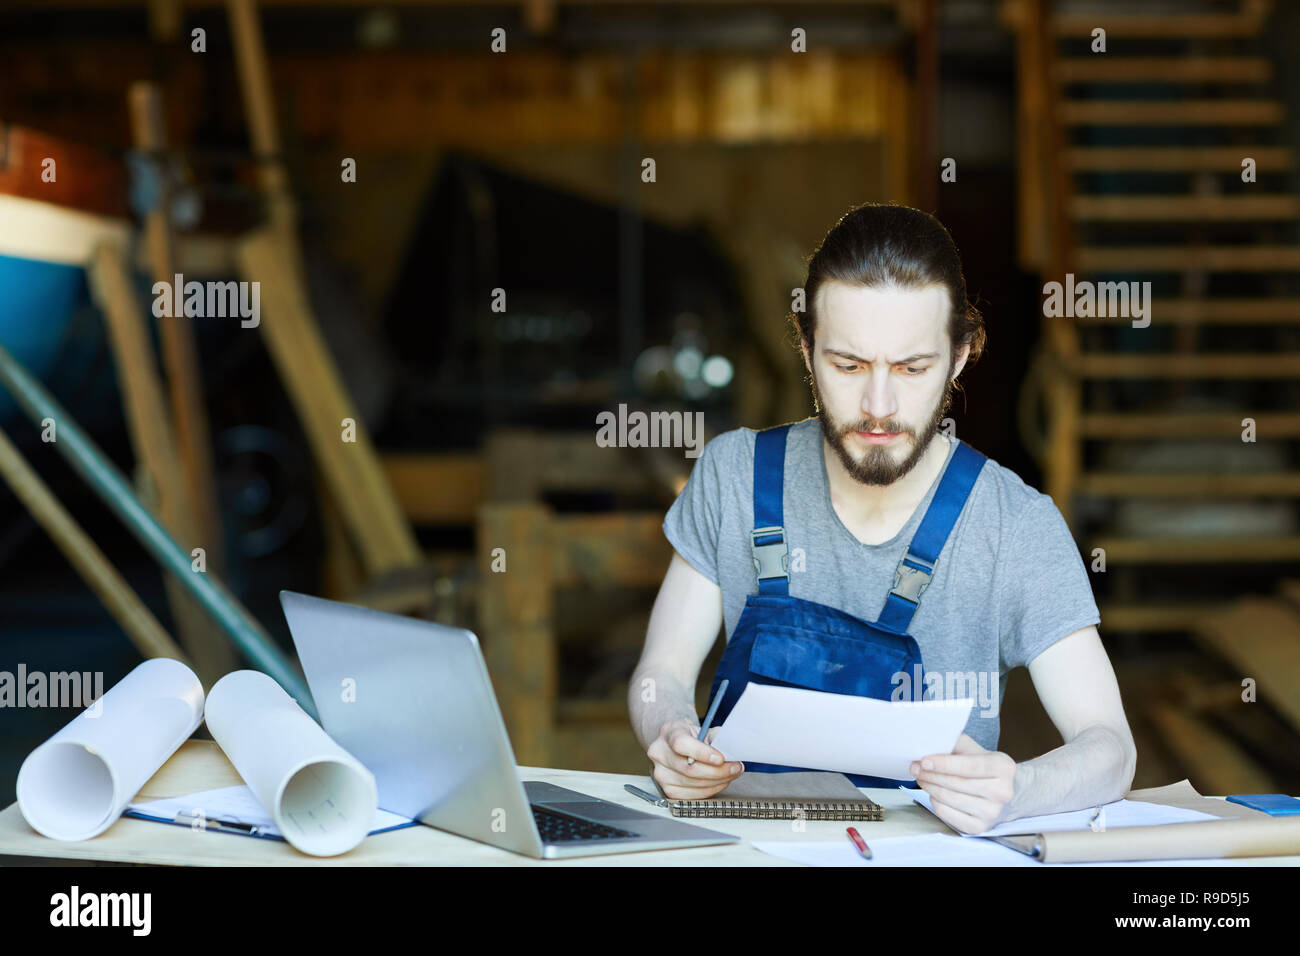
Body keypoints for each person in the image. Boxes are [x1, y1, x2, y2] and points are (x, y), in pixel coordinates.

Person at [628, 202, 1136, 834]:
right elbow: (661, 674)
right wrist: (670, 731)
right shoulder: (734, 478)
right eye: (847, 365)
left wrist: (1021, 788)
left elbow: (1111, 748)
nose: (877, 406)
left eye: (911, 368)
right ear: (805, 346)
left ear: (960, 357)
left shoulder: (1014, 524)